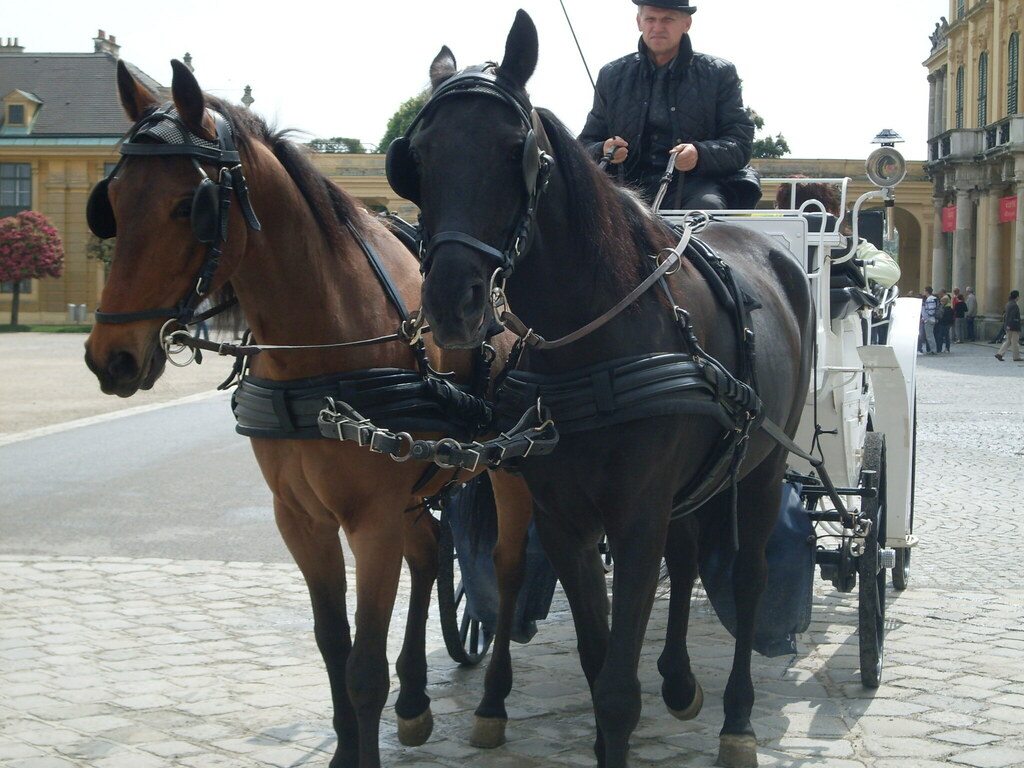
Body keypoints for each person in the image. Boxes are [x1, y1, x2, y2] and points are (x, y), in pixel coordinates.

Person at [578, 1, 761, 210]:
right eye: (650, 19)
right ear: (639, 22)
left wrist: (699, 154)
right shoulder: (611, 75)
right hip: (625, 188)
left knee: (707, 209)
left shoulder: (719, 73)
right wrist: (603, 149)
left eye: (667, 19)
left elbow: (740, 143)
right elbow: (584, 144)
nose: (657, 27)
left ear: (687, 24)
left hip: (695, 186)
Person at [994, 289, 1022, 362]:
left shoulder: (1009, 303)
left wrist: (1007, 325)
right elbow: (1011, 316)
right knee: (1015, 342)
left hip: (1008, 325)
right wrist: (1010, 325)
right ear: (1017, 296)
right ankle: (1016, 357)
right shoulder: (1014, 305)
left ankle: (1000, 354)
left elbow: (1006, 316)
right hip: (1013, 326)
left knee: (1008, 341)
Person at [920, 286, 938, 354]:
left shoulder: (930, 299)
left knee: (930, 336)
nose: (924, 292)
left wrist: (925, 318)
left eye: (924, 291)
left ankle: (933, 350)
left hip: (929, 319)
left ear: (927, 291)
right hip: (931, 319)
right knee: (930, 335)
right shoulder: (933, 299)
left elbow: (930, 311)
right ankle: (933, 349)